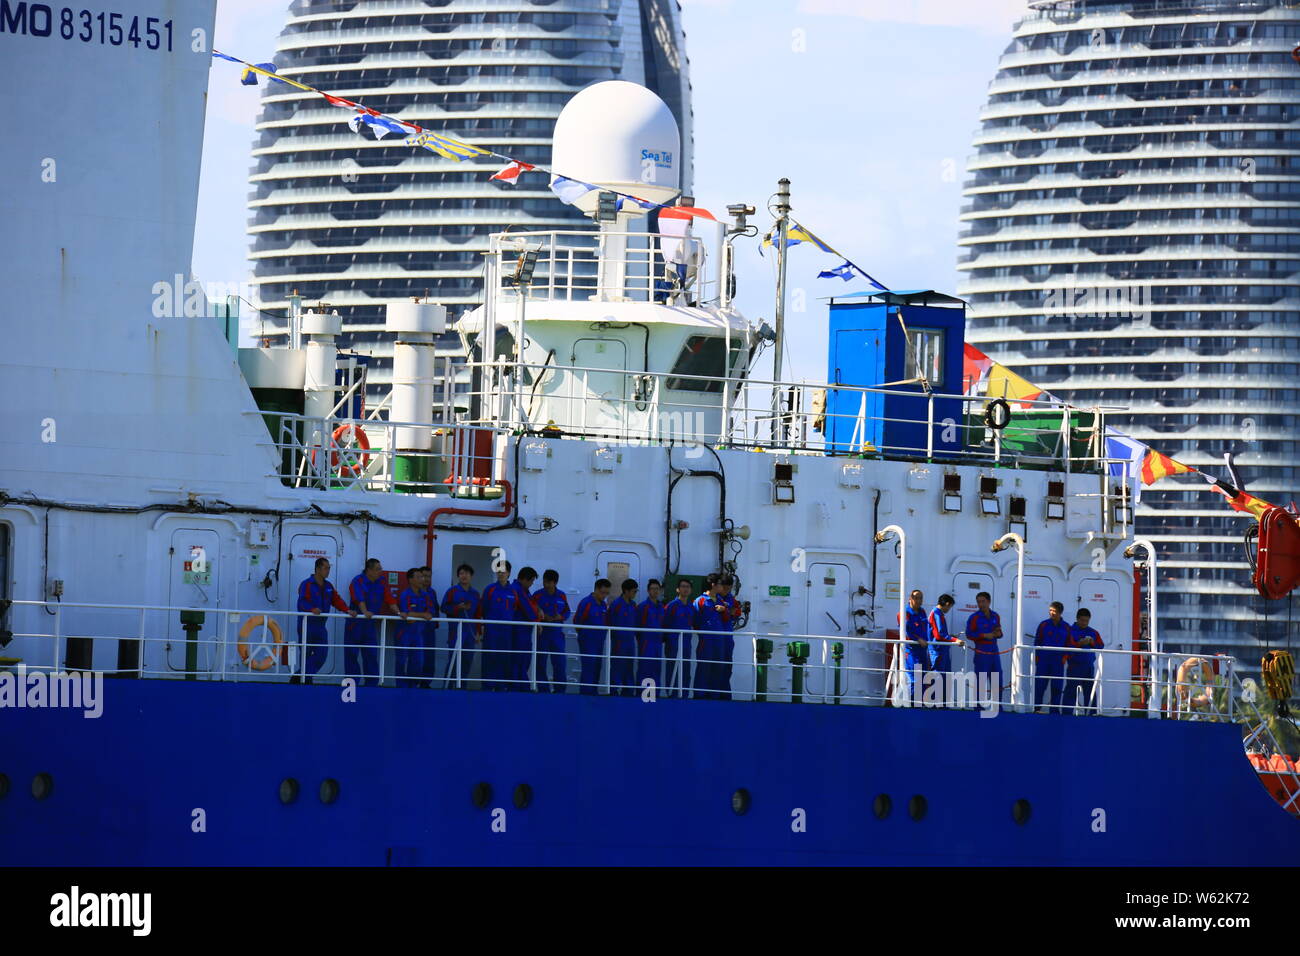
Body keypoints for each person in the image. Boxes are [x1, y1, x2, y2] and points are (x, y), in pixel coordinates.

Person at [294, 557, 355, 683]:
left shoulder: (328, 586)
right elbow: (302, 602)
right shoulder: (307, 584)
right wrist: (312, 609)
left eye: (329, 568)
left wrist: (347, 610)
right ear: (317, 569)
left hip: (320, 626)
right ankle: (305, 681)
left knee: (322, 654)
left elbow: (336, 600)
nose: (328, 571)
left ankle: (299, 676)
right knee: (305, 654)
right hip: (307, 624)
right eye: (326, 568)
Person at [346, 558, 399, 687]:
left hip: (369, 624)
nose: (381, 571)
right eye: (378, 569)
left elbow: (389, 599)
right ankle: (351, 686)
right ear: (369, 570)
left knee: (371, 655)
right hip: (356, 623)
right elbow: (359, 598)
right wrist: (365, 611)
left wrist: (399, 613)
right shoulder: (357, 581)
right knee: (351, 656)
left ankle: (371, 685)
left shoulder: (381, 582)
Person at [478, 561, 521, 692]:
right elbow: (483, 608)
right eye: (499, 571)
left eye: (504, 571)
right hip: (492, 630)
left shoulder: (514, 591)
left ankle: (502, 686)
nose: (501, 573)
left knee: (505, 657)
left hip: (507, 631)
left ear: (508, 573)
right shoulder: (490, 589)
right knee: (489, 657)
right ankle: (487, 686)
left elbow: (516, 609)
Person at [441, 563, 481, 688]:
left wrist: (478, 632)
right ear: (458, 576)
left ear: (471, 576)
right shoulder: (452, 591)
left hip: (470, 632)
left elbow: (478, 614)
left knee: (467, 660)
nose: (464, 576)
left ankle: (462, 686)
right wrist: (458, 607)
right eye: (462, 573)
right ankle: (448, 686)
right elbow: (443, 607)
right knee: (453, 659)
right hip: (456, 631)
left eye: (467, 573)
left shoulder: (475, 593)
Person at [533, 569, 571, 693]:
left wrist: (560, 617)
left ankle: (560, 689)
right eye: (544, 582)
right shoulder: (538, 595)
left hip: (556, 634)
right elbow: (530, 608)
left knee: (559, 663)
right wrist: (540, 615)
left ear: (555, 583)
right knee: (541, 662)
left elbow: (567, 611)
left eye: (549, 582)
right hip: (542, 634)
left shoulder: (561, 595)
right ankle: (543, 689)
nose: (546, 585)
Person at [692, 574, 728, 700]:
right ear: (713, 585)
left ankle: (714, 696)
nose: (721, 586)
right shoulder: (700, 600)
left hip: (719, 640)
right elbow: (695, 620)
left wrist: (724, 610)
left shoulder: (721, 601)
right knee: (703, 667)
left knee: (718, 667)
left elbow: (726, 619)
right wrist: (703, 633)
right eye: (719, 583)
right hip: (706, 640)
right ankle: (700, 695)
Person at [395, 567, 433, 686]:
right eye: (418, 577)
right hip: (404, 633)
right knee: (401, 660)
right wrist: (422, 615)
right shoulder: (405, 595)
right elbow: (407, 614)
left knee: (418, 662)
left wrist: (416, 615)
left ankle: (412, 686)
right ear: (410, 580)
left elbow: (430, 613)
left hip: (418, 634)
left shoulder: (425, 595)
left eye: (422, 577)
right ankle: (400, 686)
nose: (422, 579)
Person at [573, 579, 612, 695]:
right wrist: (585, 636)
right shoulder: (586, 603)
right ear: (596, 589)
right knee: (588, 667)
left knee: (597, 667)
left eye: (606, 593)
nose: (604, 596)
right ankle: (586, 693)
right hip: (588, 641)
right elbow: (577, 622)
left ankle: (594, 692)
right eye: (602, 592)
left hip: (599, 641)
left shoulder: (604, 605)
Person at [1064, 608, 1105, 713]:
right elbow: (1066, 645)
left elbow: (1101, 646)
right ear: (1077, 619)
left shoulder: (1093, 632)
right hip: (1074, 666)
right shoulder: (1069, 631)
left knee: (1090, 691)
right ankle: (1066, 714)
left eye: (1086, 621)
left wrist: (1092, 642)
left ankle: (1092, 714)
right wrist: (1079, 644)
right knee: (1071, 691)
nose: (1084, 623)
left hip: (1088, 667)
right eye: (1082, 620)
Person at [1034, 601, 1071, 713]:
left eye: (1054, 611)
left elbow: (1069, 644)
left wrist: (1065, 657)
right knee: (1040, 686)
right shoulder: (1043, 624)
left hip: (1058, 662)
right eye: (1050, 610)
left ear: (1060, 612)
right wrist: (1037, 657)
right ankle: (1036, 709)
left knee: (1057, 687)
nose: (1052, 613)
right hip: (1044, 660)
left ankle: (1054, 711)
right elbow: (1037, 641)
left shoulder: (1066, 627)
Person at [965, 591, 1003, 700]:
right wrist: (984, 635)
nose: (980, 604)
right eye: (978, 602)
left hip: (994, 651)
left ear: (989, 602)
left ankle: (997, 707)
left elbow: (999, 631)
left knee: (997, 679)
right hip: (981, 651)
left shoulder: (995, 616)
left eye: (983, 601)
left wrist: (998, 633)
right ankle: (978, 707)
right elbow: (969, 634)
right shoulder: (974, 618)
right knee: (981, 680)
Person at [662, 578, 696, 698]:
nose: (685, 589)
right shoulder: (672, 606)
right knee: (672, 668)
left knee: (686, 668)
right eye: (683, 586)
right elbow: (665, 623)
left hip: (686, 643)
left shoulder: (691, 607)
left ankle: (684, 694)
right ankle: (671, 693)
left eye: (687, 586)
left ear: (691, 590)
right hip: (673, 643)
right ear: (678, 589)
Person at [510, 566, 541, 690]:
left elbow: (531, 605)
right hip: (519, 631)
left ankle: (520, 685)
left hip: (523, 631)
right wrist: (537, 621)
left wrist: (538, 609)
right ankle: (520, 687)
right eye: (532, 581)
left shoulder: (523, 590)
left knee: (522, 660)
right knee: (520, 660)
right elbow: (528, 610)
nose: (532, 584)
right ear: (525, 579)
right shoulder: (518, 590)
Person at [608, 579, 640, 697]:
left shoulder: (633, 605)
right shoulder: (616, 605)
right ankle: (614, 690)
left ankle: (628, 691)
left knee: (629, 666)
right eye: (633, 591)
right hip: (619, 641)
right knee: (617, 665)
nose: (635, 594)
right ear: (626, 591)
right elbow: (610, 622)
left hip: (630, 641)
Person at [715, 574, 743, 701]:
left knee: (727, 668)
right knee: (713, 667)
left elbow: (737, 612)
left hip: (727, 638)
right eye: (724, 587)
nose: (726, 590)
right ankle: (712, 695)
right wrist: (729, 610)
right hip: (714, 639)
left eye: (729, 588)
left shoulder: (733, 600)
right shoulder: (713, 598)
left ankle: (725, 696)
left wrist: (725, 609)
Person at [928, 594, 960, 703]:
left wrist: (951, 636)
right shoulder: (937, 614)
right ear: (947, 604)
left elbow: (940, 633)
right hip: (938, 651)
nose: (949, 610)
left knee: (945, 677)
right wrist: (955, 640)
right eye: (949, 607)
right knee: (938, 678)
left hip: (942, 650)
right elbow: (939, 635)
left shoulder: (938, 614)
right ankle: (935, 704)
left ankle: (942, 703)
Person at [899, 589, 930, 700]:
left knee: (924, 679)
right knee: (915, 680)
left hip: (923, 651)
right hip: (912, 652)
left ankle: (920, 704)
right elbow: (905, 631)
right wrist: (918, 639)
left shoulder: (922, 612)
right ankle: (913, 705)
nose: (918, 600)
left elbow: (926, 629)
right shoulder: (904, 613)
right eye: (916, 597)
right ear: (910, 599)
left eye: (920, 598)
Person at [636, 579, 667, 689]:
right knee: (646, 667)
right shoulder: (643, 607)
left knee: (656, 668)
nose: (655, 591)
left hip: (658, 643)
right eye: (653, 589)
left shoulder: (662, 607)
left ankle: (654, 694)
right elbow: (638, 625)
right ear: (648, 591)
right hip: (646, 642)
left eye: (657, 589)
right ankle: (644, 694)